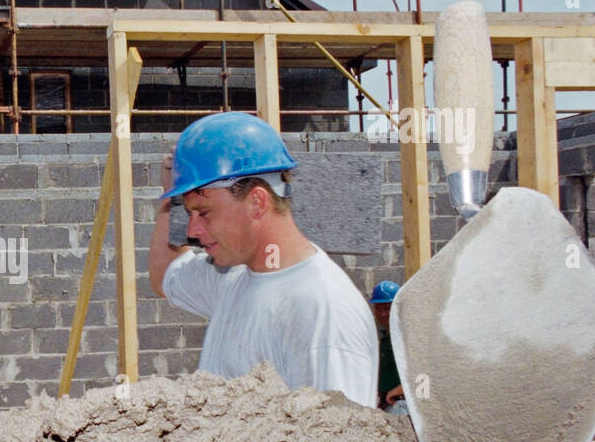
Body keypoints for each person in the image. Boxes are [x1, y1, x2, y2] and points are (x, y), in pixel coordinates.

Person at [149, 112, 379, 407]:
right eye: (189, 213)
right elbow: (165, 274)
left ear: (257, 202)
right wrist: (171, 199)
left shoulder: (323, 311)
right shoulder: (232, 276)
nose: (192, 230)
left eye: (203, 213)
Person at [369, 280, 407, 413]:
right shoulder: (387, 337)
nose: (382, 313)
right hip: (387, 403)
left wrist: (400, 389)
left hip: (401, 404)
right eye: (378, 309)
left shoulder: (406, 336)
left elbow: (423, 375)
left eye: (387, 308)